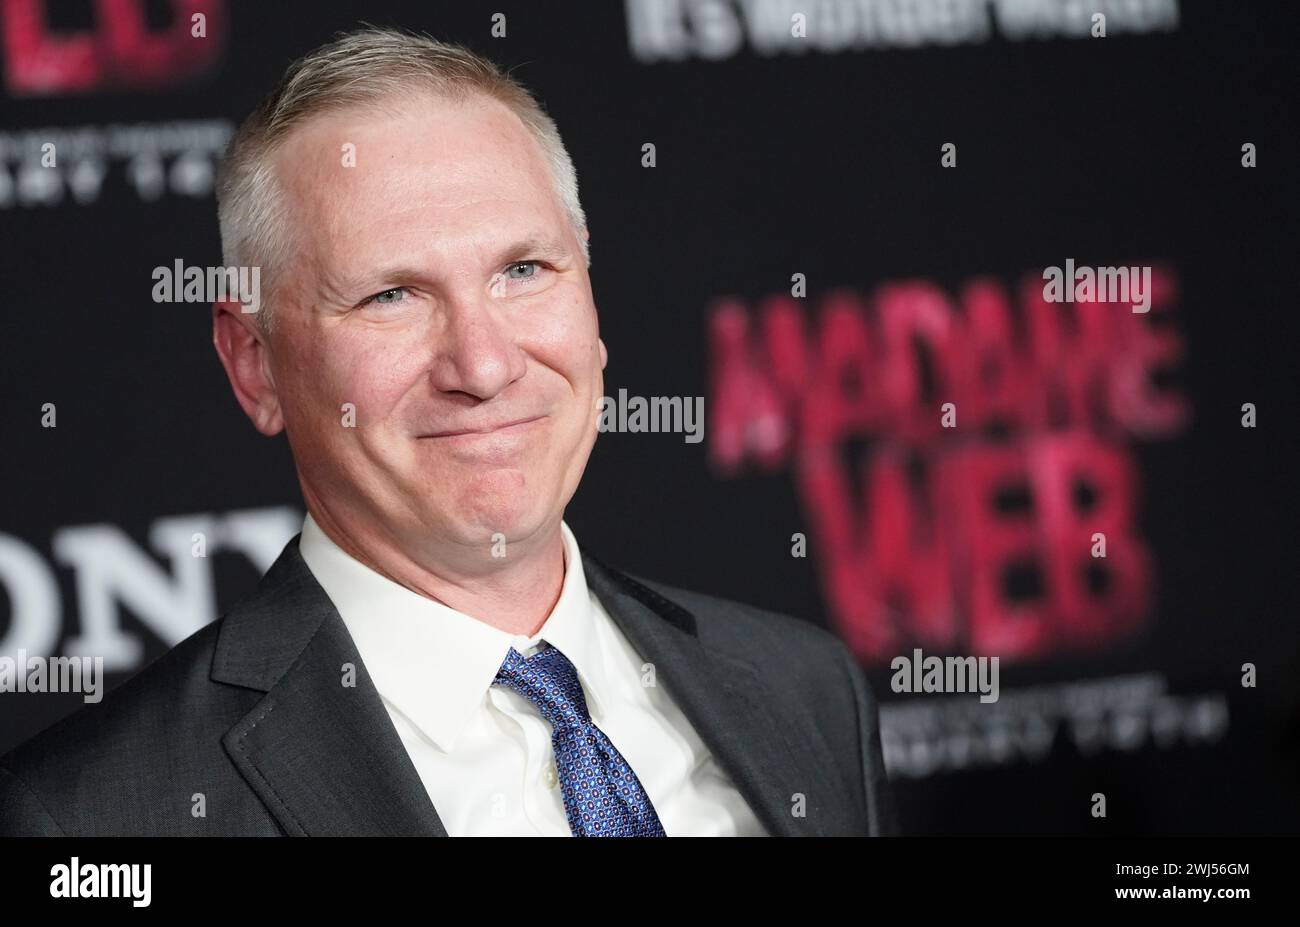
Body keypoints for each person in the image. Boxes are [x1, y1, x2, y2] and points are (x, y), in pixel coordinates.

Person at [0, 26, 888, 837]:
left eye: (525, 269)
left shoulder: (802, 689)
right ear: (254, 362)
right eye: (392, 295)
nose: (486, 363)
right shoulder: (93, 818)